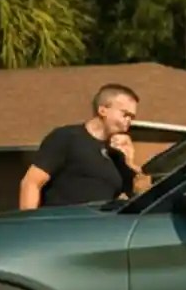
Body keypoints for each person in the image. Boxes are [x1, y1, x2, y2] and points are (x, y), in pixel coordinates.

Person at [19, 83, 153, 210]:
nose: (129, 121)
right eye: (125, 114)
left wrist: (131, 162)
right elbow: (32, 182)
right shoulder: (67, 137)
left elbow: (140, 195)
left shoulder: (116, 154)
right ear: (102, 110)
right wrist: (27, 223)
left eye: (132, 117)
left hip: (98, 229)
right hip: (60, 226)